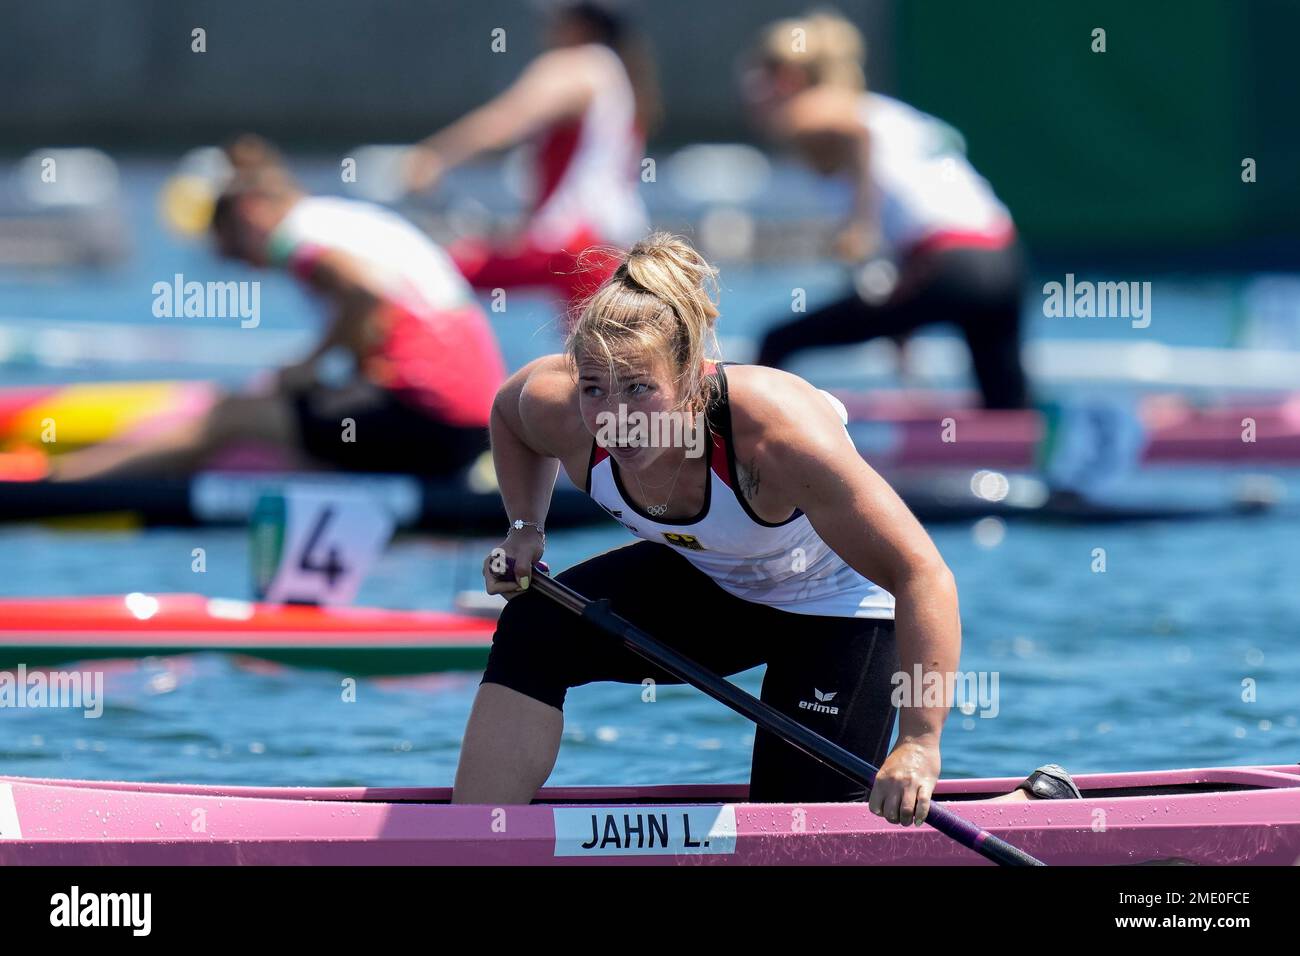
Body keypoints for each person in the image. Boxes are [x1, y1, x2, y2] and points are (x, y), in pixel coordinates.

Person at [456, 232, 1076, 816]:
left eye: (639, 388)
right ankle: (474, 837)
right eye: (595, 389)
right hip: (717, 584)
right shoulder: (557, 407)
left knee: (796, 832)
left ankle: (1028, 809)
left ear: (692, 379)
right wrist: (523, 529)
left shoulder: (775, 436)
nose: (613, 417)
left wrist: (918, 743)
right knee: (535, 624)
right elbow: (507, 420)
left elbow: (923, 577)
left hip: (836, 610)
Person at [50, 144, 506, 481]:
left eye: (224, 240)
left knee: (228, 419)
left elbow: (366, 296)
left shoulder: (296, 237)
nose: (230, 258)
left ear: (249, 211)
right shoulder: (337, 218)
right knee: (271, 418)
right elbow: (377, 318)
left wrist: (306, 366)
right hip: (468, 427)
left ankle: (61, 484)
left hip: (431, 418)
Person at [744, 11, 1028, 409]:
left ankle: (750, 445)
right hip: (1003, 262)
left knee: (778, 340)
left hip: (952, 265)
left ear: (789, 78)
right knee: (1007, 407)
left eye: (762, 80)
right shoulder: (893, 115)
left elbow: (852, 132)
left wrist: (862, 225)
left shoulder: (824, 107)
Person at [404, 0, 657, 315]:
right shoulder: (620, 75)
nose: (545, 31)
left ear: (579, 26)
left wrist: (428, 159)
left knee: (419, 272)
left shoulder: (575, 66)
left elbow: (502, 123)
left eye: (552, 21)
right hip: (612, 247)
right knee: (597, 359)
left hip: (573, 245)